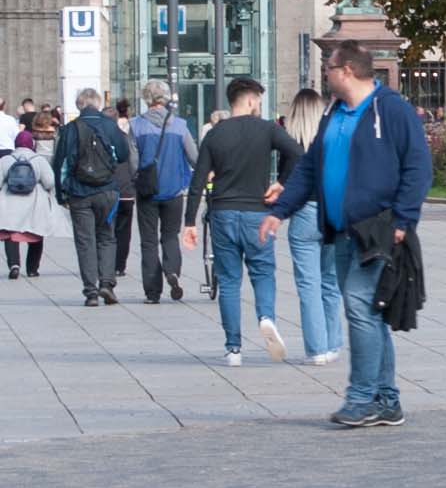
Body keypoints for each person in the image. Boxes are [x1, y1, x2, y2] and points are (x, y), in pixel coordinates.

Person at [262, 40, 431, 428]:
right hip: (340, 230)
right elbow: (309, 167)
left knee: (358, 308)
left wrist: (404, 220)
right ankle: (387, 400)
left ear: (348, 71)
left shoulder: (391, 110)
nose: (326, 73)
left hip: (377, 229)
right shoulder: (335, 113)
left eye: (330, 68)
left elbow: (418, 167)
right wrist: (282, 210)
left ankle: (361, 398)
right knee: (369, 314)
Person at [181, 78, 302, 366]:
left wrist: (189, 223)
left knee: (230, 280)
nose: (259, 105)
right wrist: (281, 183)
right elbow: (298, 153)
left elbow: (198, 180)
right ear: (250, 100)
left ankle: (233, 348)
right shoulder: (268, 129)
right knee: (262, 272)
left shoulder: (215, 134)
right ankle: (266, 317)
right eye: (258, 100)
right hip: (257, 213)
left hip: (222, 212)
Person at [280, 89, 345, 366]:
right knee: (330, 281)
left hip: (305, 213)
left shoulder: (292, 146)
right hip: (332, 213)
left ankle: (316, 348)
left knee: (309, 284)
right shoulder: (333, 140)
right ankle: (333, 344)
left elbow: (287, 184)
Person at [51, 88, 132, 306]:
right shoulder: (109, 125)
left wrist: (61, 195)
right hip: (107, 190)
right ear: (97, 104)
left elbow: (60, 165)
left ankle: (91, 292)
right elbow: (124, 154)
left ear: (79, 105)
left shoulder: (69, 129)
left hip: (79, 192)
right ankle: (107, 283)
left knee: (85, 241)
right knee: (107, 236)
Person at [131, 80, 199, 303]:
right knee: (170, 235)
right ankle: (172, 270)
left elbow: (133, 162)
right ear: (166, 98)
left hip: (147, 192)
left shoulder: (136, 125)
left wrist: (137, 180)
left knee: (148, 241)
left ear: (146, 98)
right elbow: (194, 157)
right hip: (174, 191)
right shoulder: (179, 125)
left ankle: (152, 291)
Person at [1, 131, 55, 279]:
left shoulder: (6, 159)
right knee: (36, 234)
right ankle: (32, 269)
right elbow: (50, 181)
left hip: (10, 201)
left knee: (11, 234)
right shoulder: (39, 160)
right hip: (34, 202)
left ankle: (14, 264)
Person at [110, 100, 136, 278]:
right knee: (124, 230)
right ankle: (120, 265)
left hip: (108, 190)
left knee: (107, 228)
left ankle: (107, 262)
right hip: (126, 190)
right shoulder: (126, 138)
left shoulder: (100, 137)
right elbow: (133, 162)